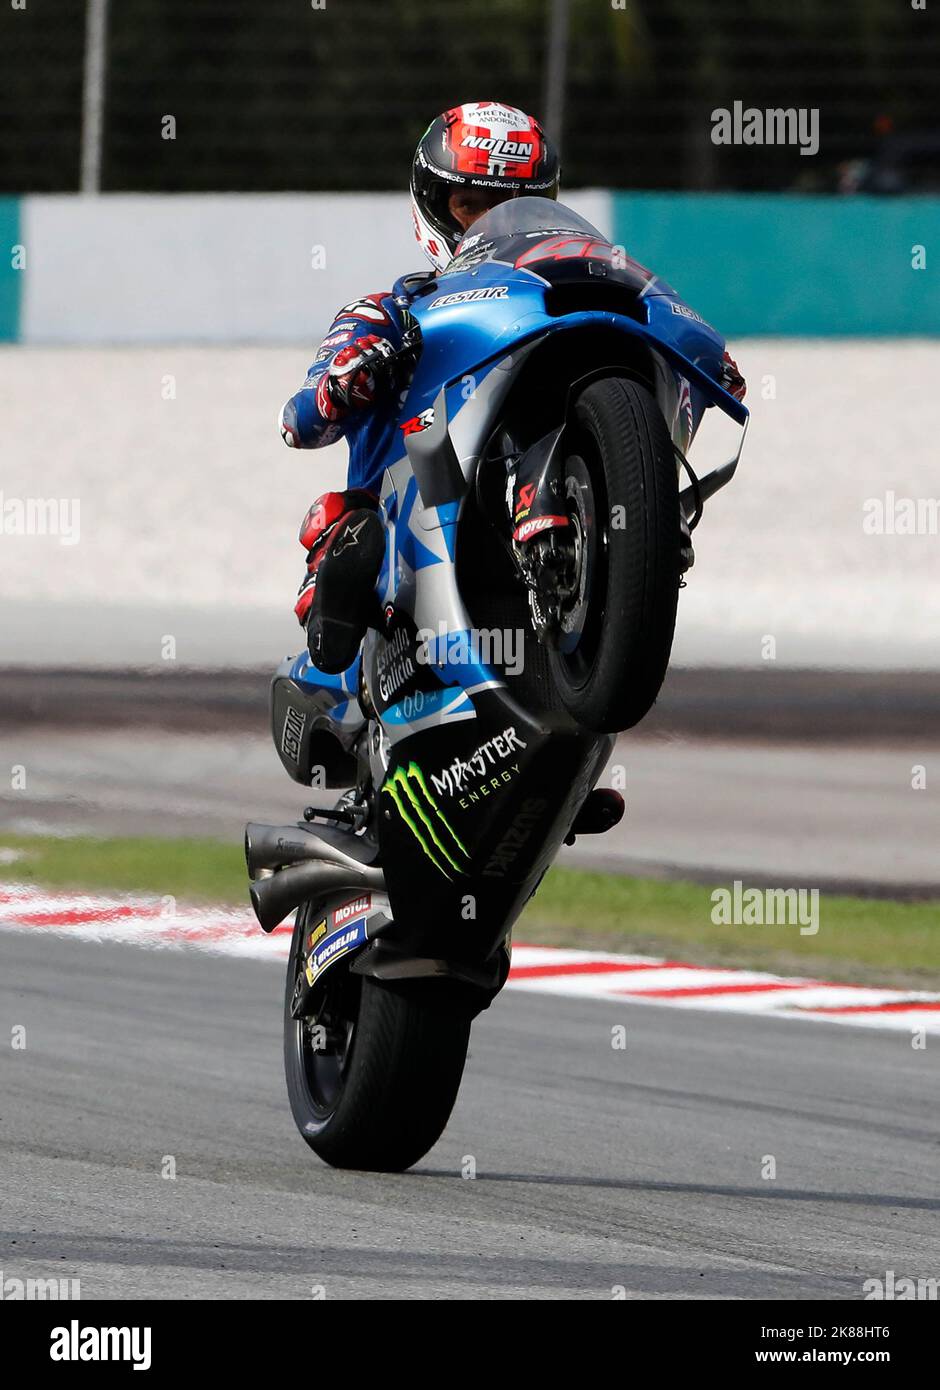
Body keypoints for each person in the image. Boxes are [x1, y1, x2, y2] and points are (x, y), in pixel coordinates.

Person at [278, 99, 745, 674]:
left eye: (508, 205)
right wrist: (344, 382)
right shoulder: (390, 309)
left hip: (541, 654)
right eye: (469, 204)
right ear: (434, 207)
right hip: (399, 549)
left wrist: (700, 356)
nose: (488, 220)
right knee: (344, 528)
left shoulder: (549, 282)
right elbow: (299, 423)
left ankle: (598, 566)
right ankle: (347, 661)